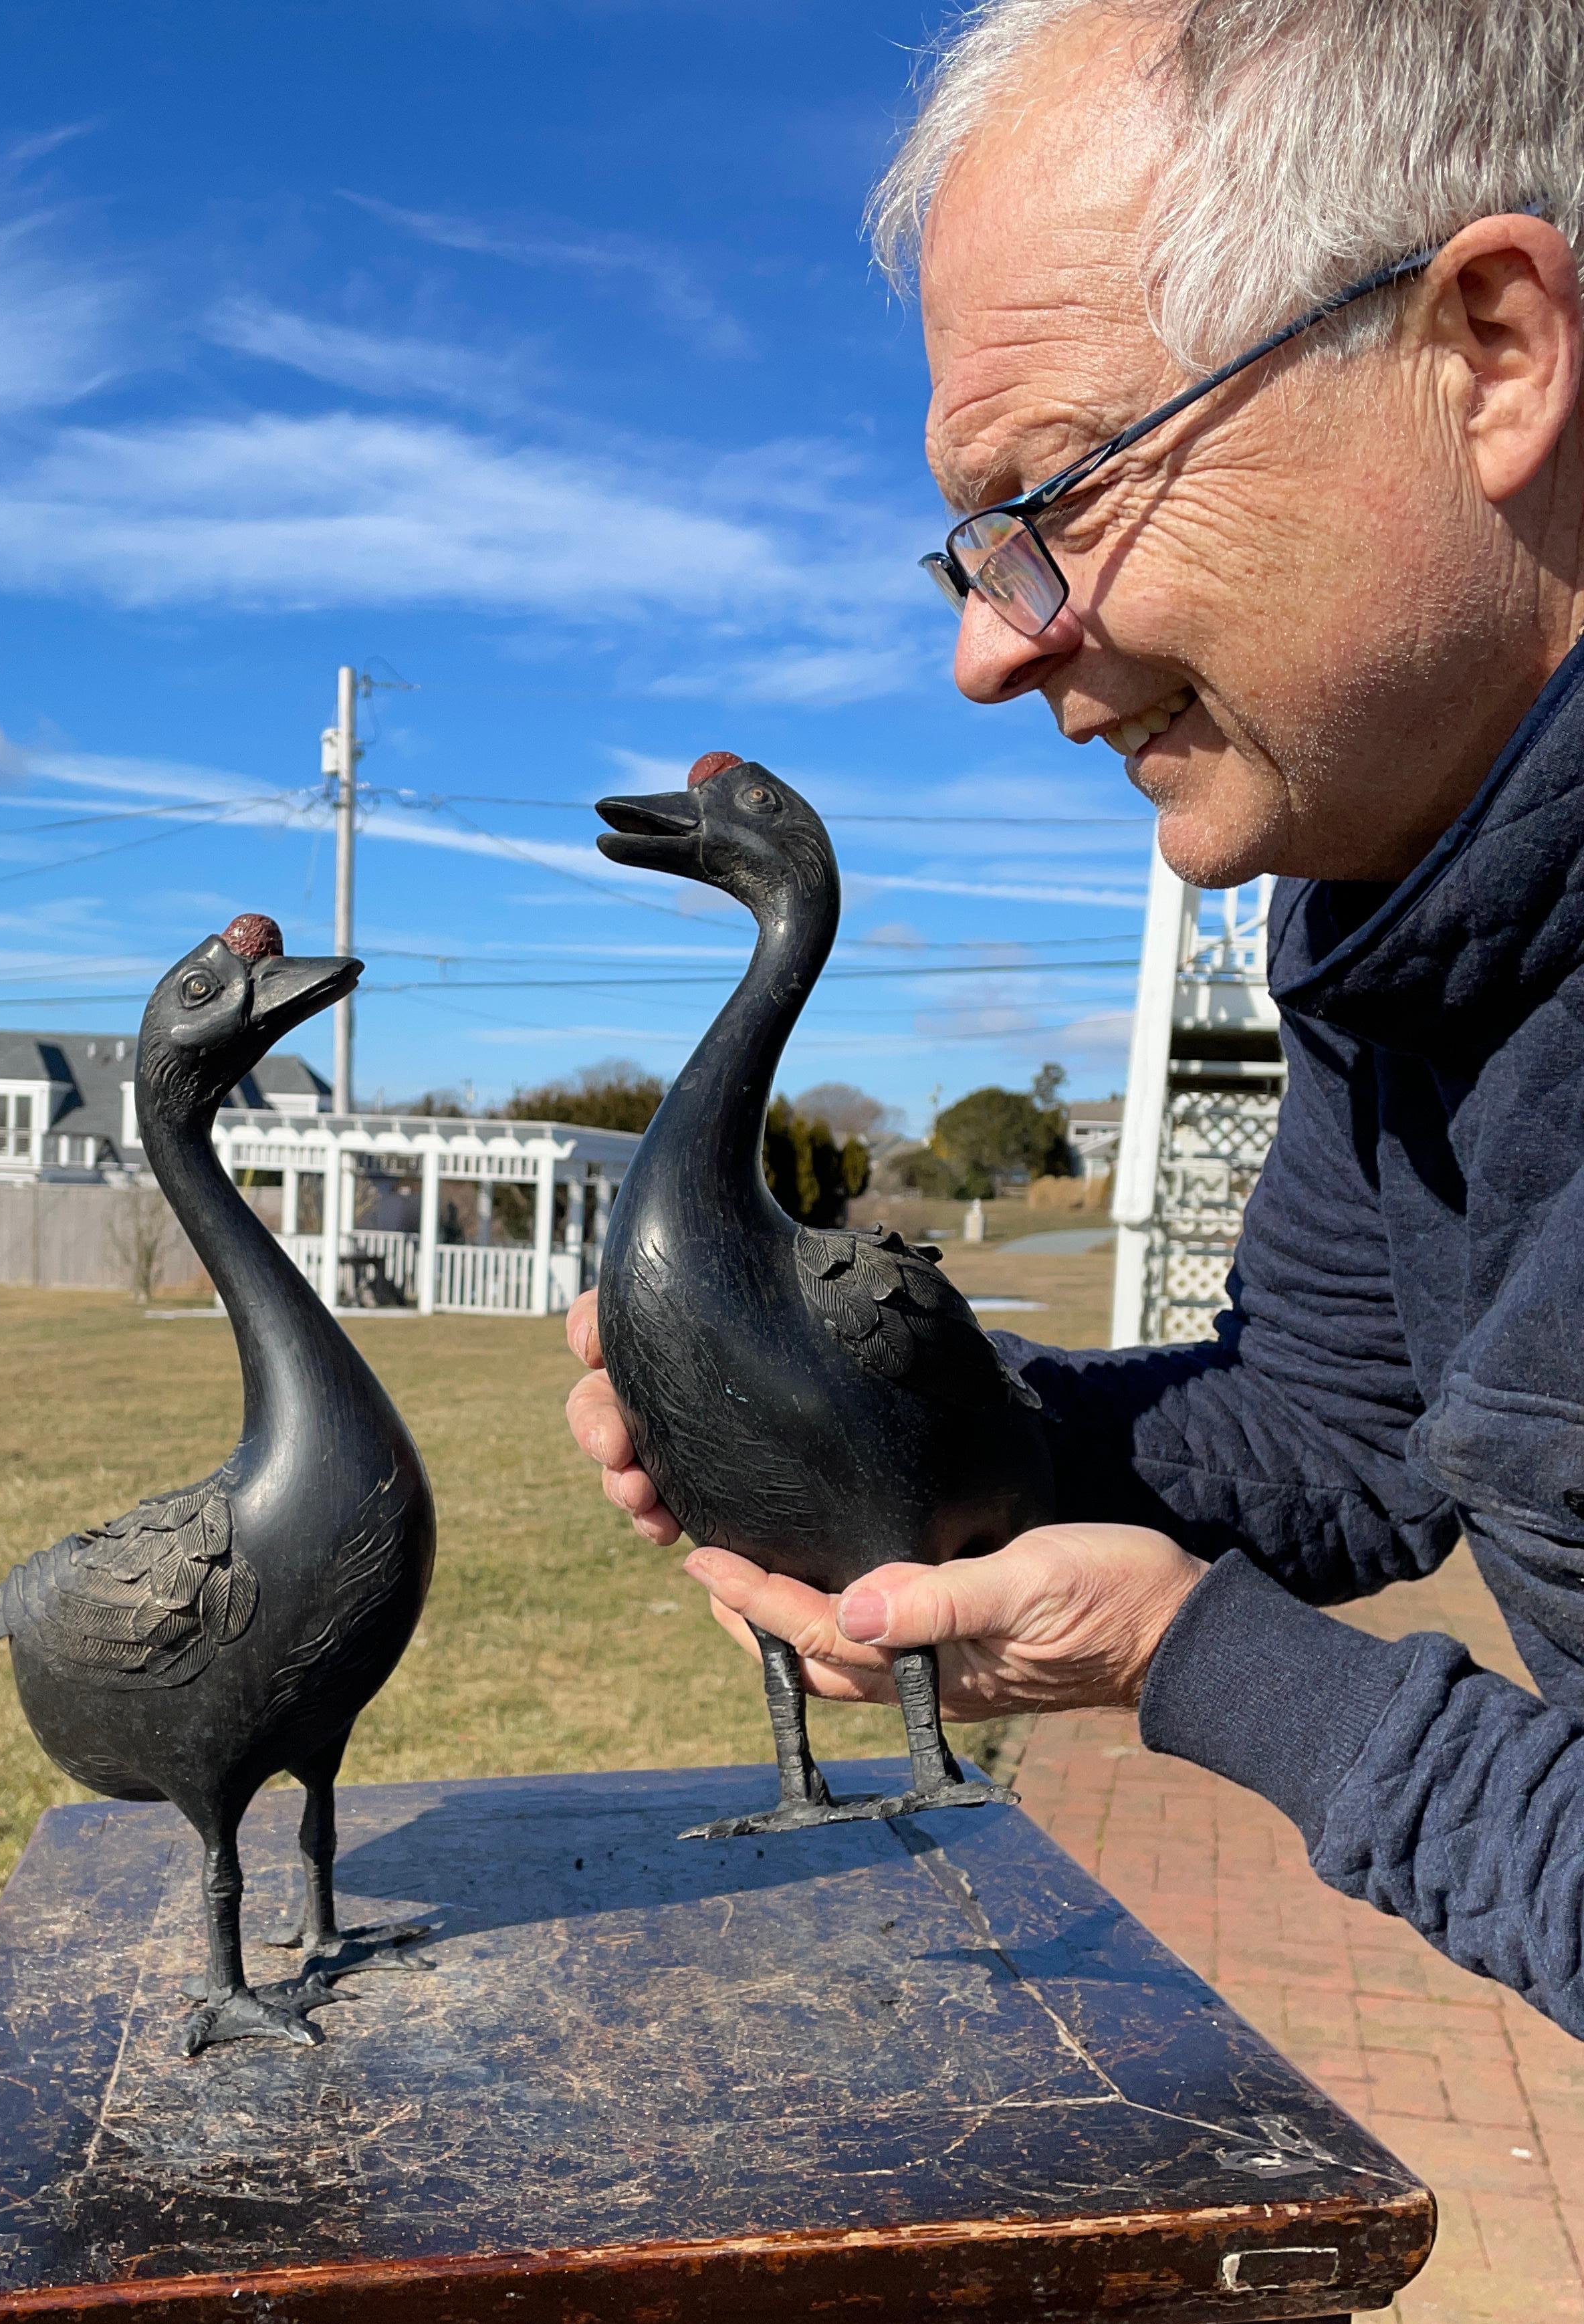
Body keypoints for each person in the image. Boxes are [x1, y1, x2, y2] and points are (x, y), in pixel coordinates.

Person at [566, 0, 1584, 2037]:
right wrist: (920, 1431)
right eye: (974, 547)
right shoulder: (1395, 934)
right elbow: (1335, 1436)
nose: (983, 650)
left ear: (1487, 350)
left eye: (1058, 492)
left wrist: (1198, 1660)